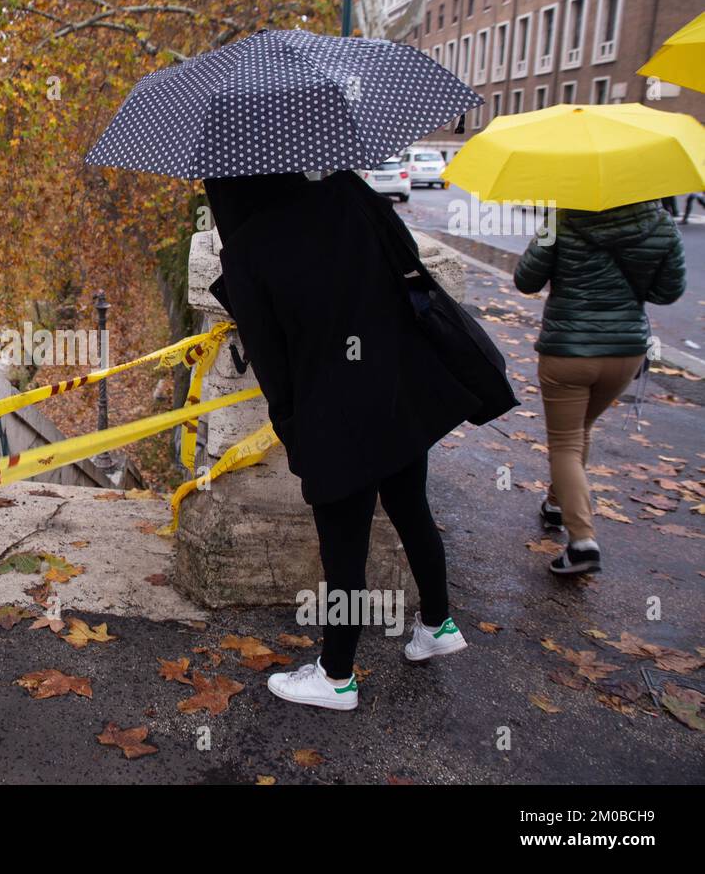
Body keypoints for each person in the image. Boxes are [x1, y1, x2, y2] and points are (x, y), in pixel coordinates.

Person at [205, 170, 483, 712]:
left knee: (344, 548)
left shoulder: (249, 250)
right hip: (395, 382)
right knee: (411, 509)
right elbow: (406, 260)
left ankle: (336, 678)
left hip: (331, 409)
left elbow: (272, 364)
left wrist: (293, 429)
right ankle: (438, 622)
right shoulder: (349, 192)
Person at [514, 200, 686, 575]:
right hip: (625, 352)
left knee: (565, 441)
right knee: (579, 431)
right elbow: (666, 293)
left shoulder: (561, 219)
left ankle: (582, 541)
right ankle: (557, 504)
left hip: (568, 350)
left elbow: (526, 281)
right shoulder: (661, 224)